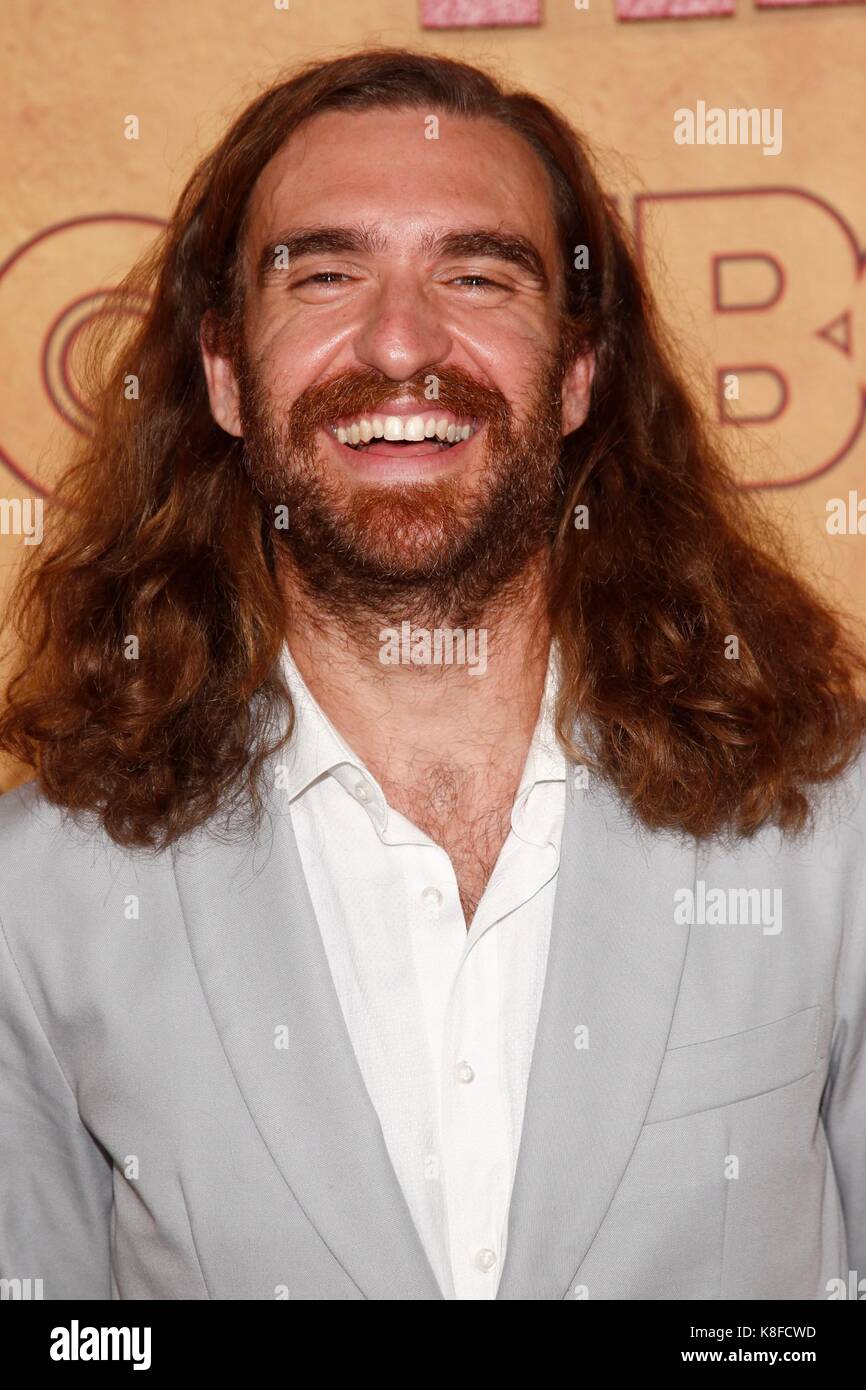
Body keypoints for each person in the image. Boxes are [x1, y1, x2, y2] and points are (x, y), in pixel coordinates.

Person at [1, 48, 864, 1302]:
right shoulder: (40, 892)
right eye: (325, 273)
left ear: (574, 374)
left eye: (475, 274)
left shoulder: (830, 824)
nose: (401, 342)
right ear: (227, 374)